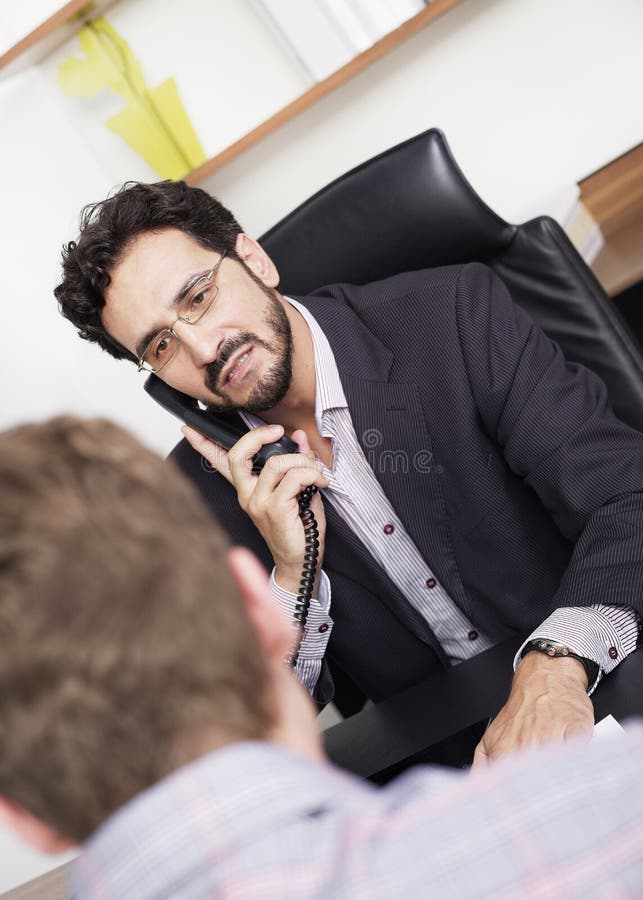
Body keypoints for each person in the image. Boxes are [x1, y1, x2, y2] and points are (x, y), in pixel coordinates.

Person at [53, 180, 643, 764]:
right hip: (451, 783)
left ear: (254, 260)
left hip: (604, 677)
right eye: (160, 346)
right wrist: (291, 573)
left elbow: (627, 497)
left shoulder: (454, 316)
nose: (203, 350)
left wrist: (553, 669)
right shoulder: (201, 493)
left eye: (198, 297)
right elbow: (246, 741)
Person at [0, 415, 642, 899]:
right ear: (263, 608)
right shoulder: (601, 820)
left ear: (19, 820)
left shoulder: (449, 315)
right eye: (159, 345)